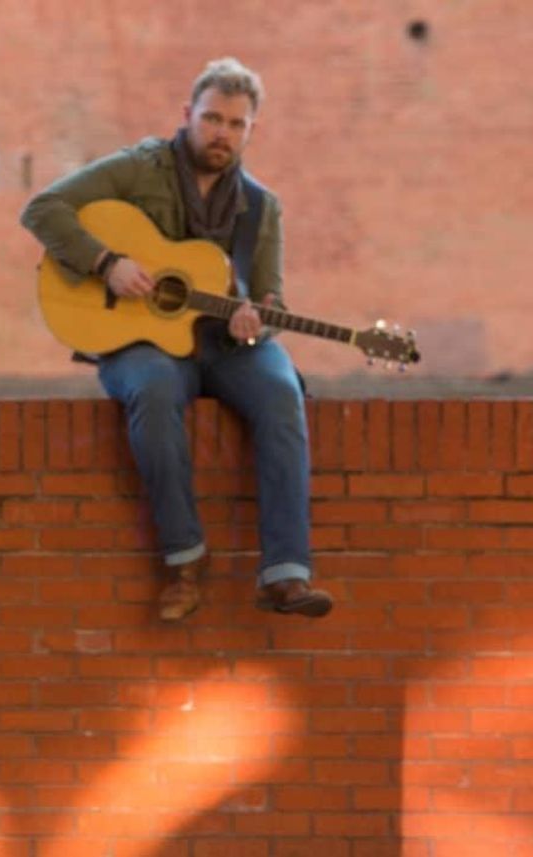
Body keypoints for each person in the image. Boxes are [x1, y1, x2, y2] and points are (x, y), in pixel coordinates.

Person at [20, 57, 332, 622]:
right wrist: (106, 262)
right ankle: (184, 559)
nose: (222, 133)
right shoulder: (139, 170)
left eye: (236, 125)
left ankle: (286, 574)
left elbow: (271, 300)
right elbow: (43, 209)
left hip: (224, 343)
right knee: (157, 390)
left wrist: (261, 318)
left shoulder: (260, 207)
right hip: (139, 339)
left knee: (283, 390)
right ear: (188, 115)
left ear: (250, 131)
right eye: (212, 119)